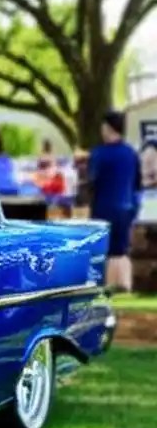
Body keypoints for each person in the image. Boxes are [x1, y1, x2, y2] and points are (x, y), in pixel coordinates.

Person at [89, 110, 142, 292]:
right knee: (122, 249)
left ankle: (108, 286)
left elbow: (92, 181)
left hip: (104, 206)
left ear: (108, 128)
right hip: (127, 207)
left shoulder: (99, 154)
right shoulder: (131, 153)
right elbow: (137, 183)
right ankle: (126, 285)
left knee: (107, 250)